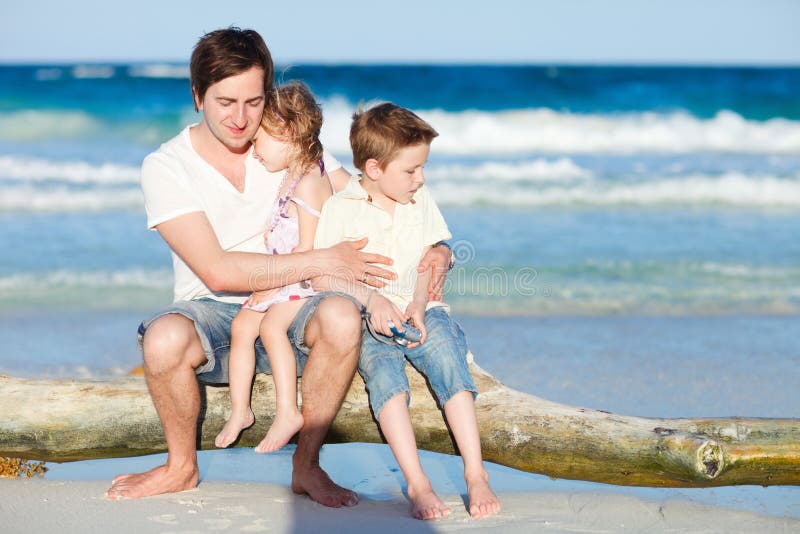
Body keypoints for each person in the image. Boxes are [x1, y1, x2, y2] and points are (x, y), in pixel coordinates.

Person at [106, 28, 453, 507]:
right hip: (215, 313)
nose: (242, 118)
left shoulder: (289, 141)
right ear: (196, 96)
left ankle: (306, 466)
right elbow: (218, 272)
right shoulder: (167, 166)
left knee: (340, 313)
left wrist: (438, 246)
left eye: (254, 101)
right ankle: (181, 466)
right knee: (163, 337)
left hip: (295, 311)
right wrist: (319, 258)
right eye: (226, 101)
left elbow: (373, 196)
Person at [313, 103, 501, 519]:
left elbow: (430, 261)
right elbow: (323, 279)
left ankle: (475, 472)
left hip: (420, 307)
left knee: (448, 356)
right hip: (368, 319)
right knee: (385, 378)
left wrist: (418, 303)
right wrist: (371, 300)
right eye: (412, 170)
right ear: (375, 169)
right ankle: (417, 482)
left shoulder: (421, 201)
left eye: (422, 168)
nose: (421, 179)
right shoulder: (340, 209)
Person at [214, 81, 333, 453]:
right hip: (282, 278)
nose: (254, 149)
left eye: (260, 139)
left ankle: (288, 412)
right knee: (240, 326)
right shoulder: (291, 175)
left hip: (303, 281)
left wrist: (271, 285)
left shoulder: (311, 181)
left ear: (289, 133)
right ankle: (240, 410)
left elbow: (310, 249)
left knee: (270, 326)